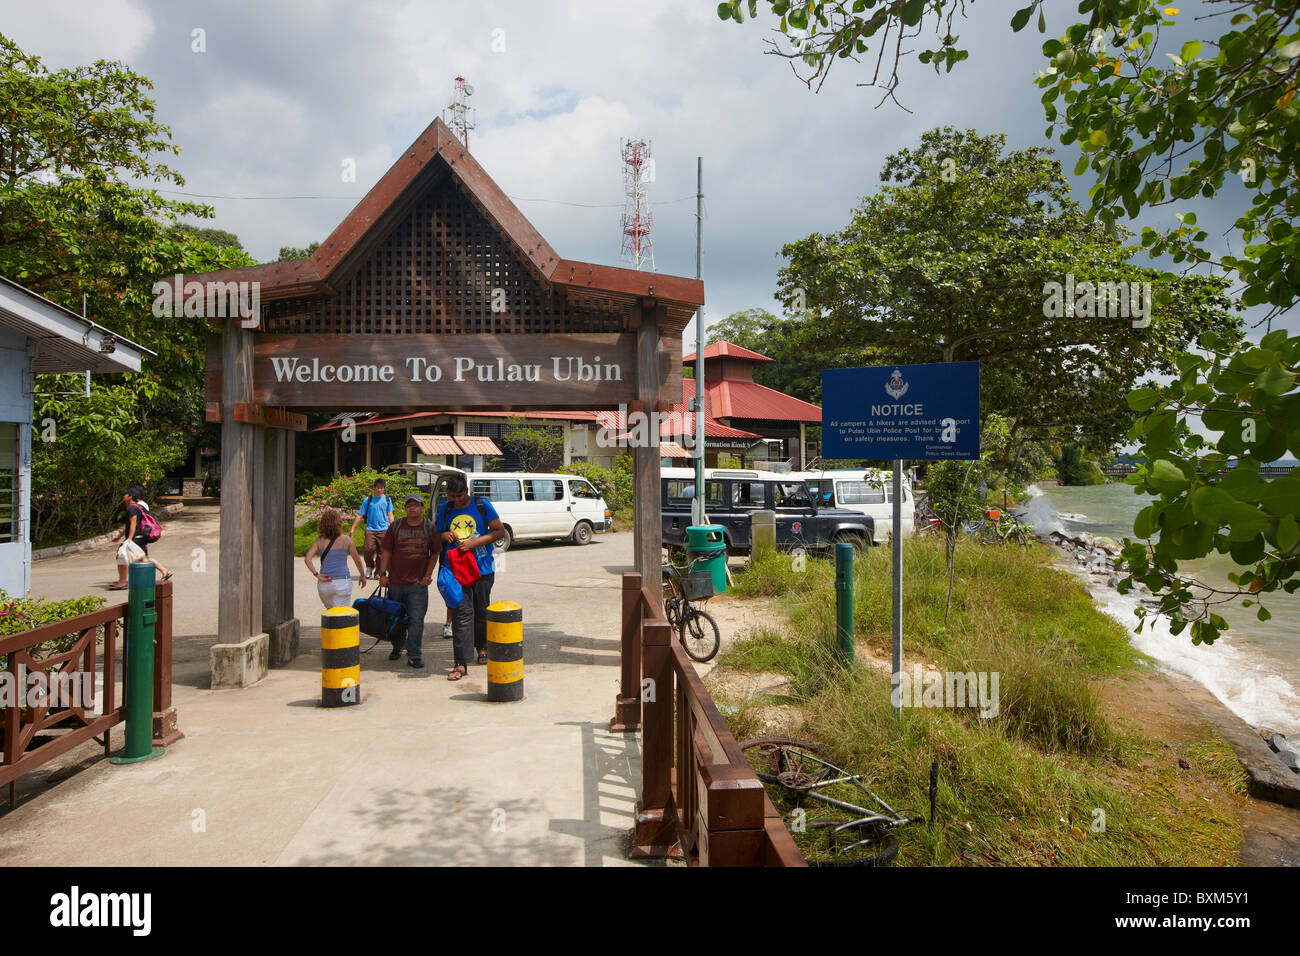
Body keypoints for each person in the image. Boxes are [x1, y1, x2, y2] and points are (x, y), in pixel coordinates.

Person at [436, 474, 504, 681]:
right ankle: (460, 663)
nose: (456, 500)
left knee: (481, 610)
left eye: (459, 496)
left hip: (482, 569)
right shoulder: (445, 509)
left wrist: (474, 543)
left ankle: (482, 647)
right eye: (452, 496)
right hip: (456, 570)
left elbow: (499, 531)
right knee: (461, 614)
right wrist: (444, 536)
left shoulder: (482, 505)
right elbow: (437, 534)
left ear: (467, 491)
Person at [377, 493, 438, 668]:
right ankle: (397, 647)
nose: (412, 507)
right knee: (396, 619)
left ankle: (414, 655)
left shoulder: (428, 526)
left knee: (416, 620)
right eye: (408, 505)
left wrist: (427, 575)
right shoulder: (396, 526)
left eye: (416, 505)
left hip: (417, 585)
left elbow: (434, 552)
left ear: (421, 508)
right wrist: (383, 574)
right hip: (395, 582)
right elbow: (386, 550)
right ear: (405, 509)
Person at [108, 486, 172, 589]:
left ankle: (123, 581)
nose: (123, 496)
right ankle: (163, 572)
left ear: (131, 496)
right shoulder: (137, 507)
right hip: (139, 537)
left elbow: (133, 524)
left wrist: (128, 540)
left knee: (121, 555)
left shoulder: (132, 508)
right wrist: (120, 536)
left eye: (125, 494)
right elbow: (130, 524)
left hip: (135, 538)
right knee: (142, 558)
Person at [304, 508, 367, 608]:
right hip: (342, 582)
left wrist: (316, 574)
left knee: (331, 613)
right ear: (339, 523)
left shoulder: (319, 541)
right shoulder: (347, 540)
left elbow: (307, 558)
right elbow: (357, 560)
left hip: (324, 584)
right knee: (340, 616)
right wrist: (362, 575)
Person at [350, 478, 394, 577]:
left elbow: (390, 514)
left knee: (382, 552)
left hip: (384, 529)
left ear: (384, 489)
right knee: (368, 549)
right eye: (377, 488)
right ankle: (369, 566)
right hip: (370, 529)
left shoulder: (387, 500)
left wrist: (393, 527)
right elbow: (359, 514)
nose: (379, 490)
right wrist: (352, 528)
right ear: (374, 488)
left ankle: (378, 572)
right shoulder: (368, 500)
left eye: (381, 488)